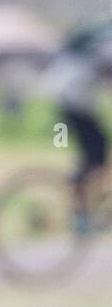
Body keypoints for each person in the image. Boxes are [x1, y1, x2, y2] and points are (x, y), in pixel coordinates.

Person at [45, 17, 112, 230]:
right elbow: (106, 67)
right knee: (95, 153)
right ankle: (81, 213)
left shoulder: (100, 29)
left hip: (69, 95)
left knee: (95, 154)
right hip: (72, 97)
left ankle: (90, 208)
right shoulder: (106, 35)